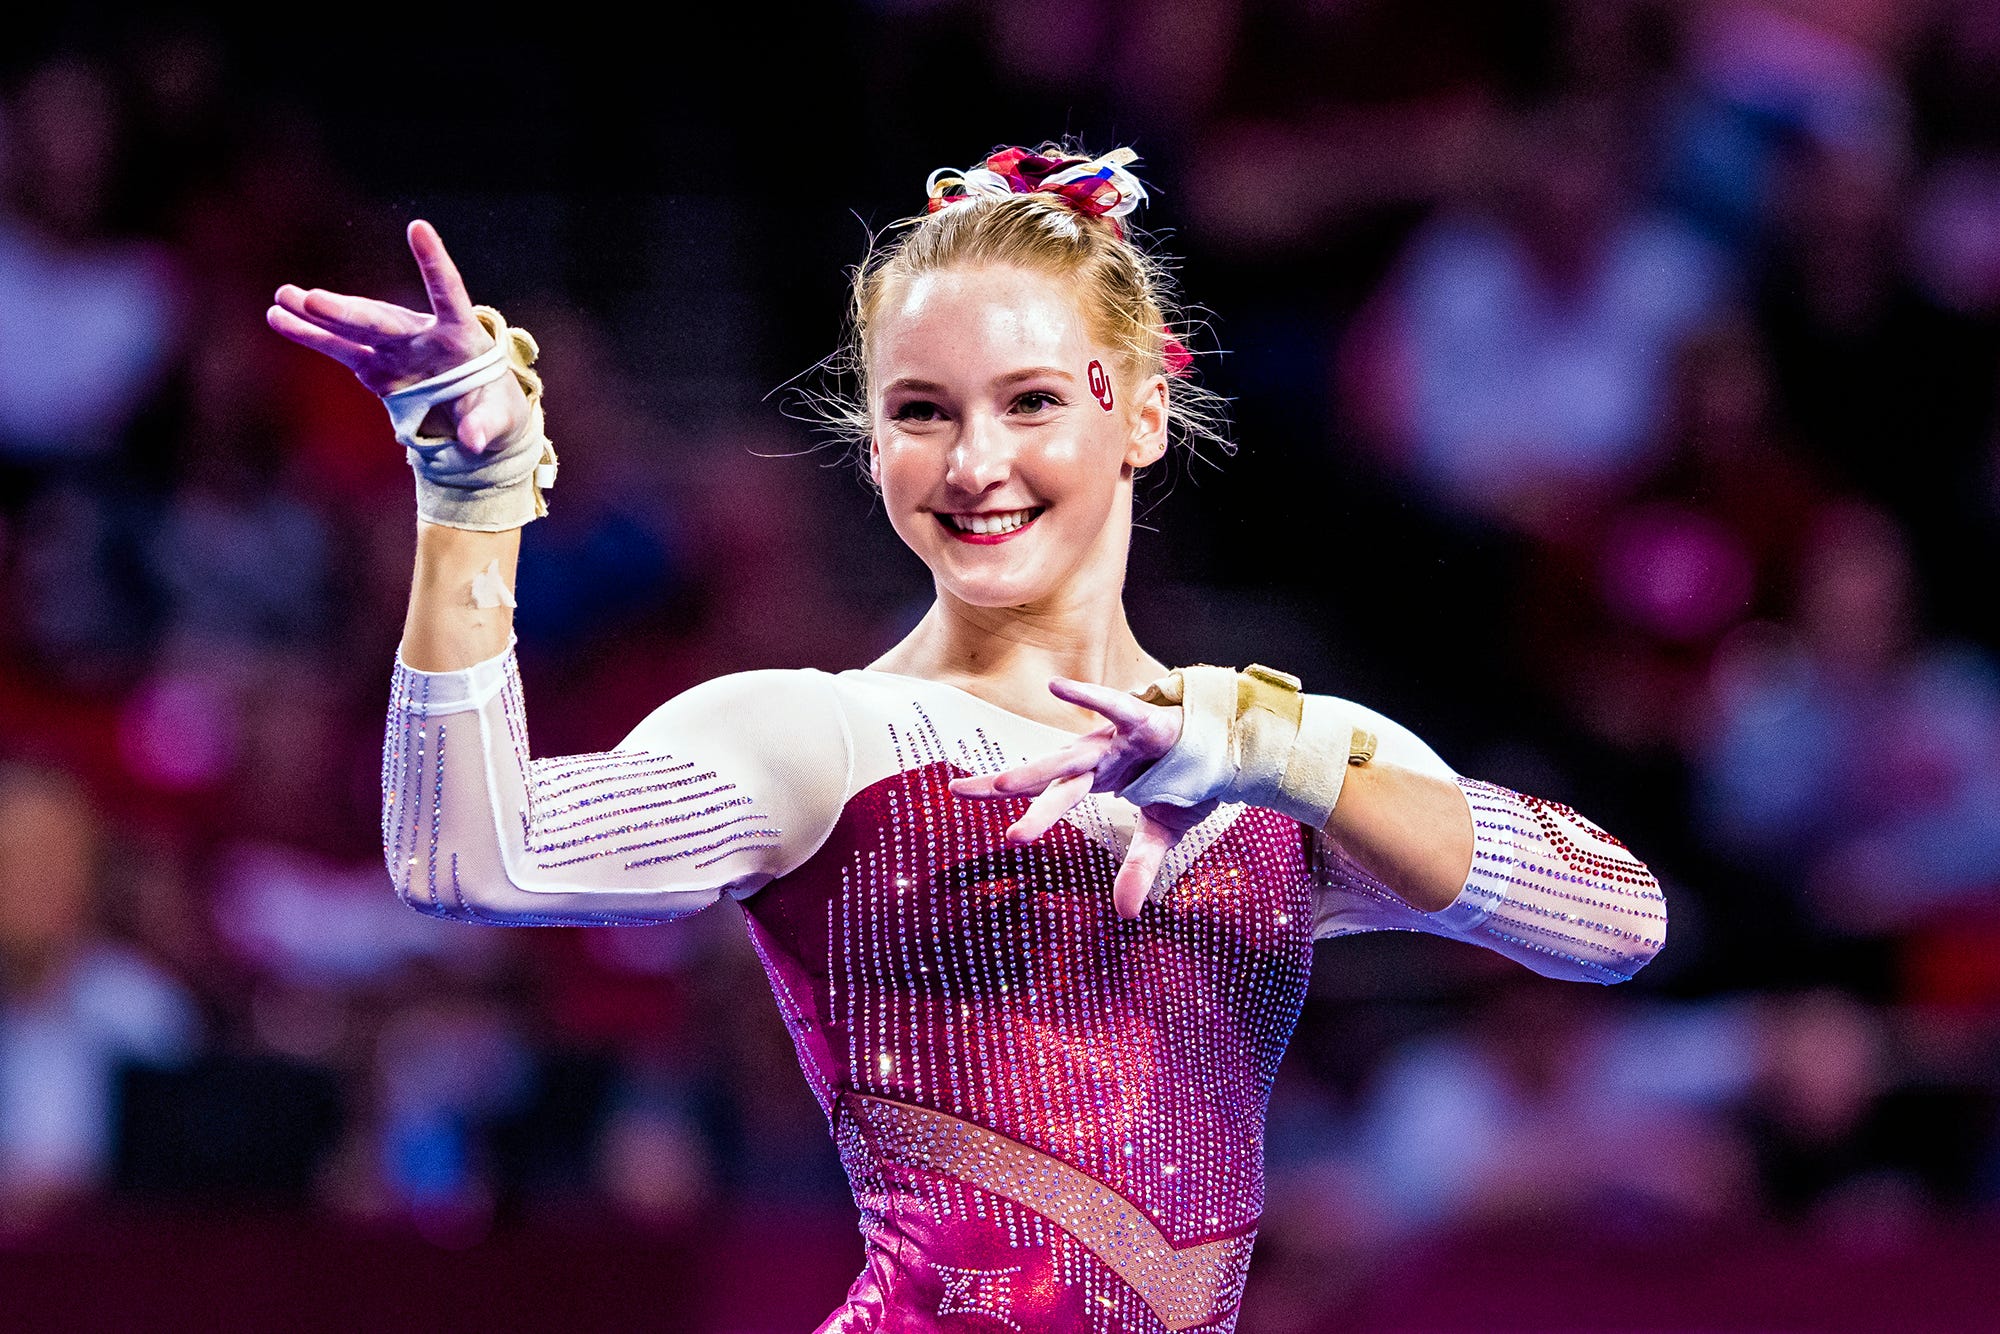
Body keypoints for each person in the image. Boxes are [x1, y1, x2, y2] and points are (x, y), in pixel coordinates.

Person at [268, 144, 1667, 1334]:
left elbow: (1618, 920)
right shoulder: (822, 735)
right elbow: (470, 855)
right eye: (920, 413)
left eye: (1032, 401)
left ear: (1141, 408)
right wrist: (470, 494)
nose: (975, 463)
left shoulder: (1268, 756)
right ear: (872, 444)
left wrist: (1283, 761)